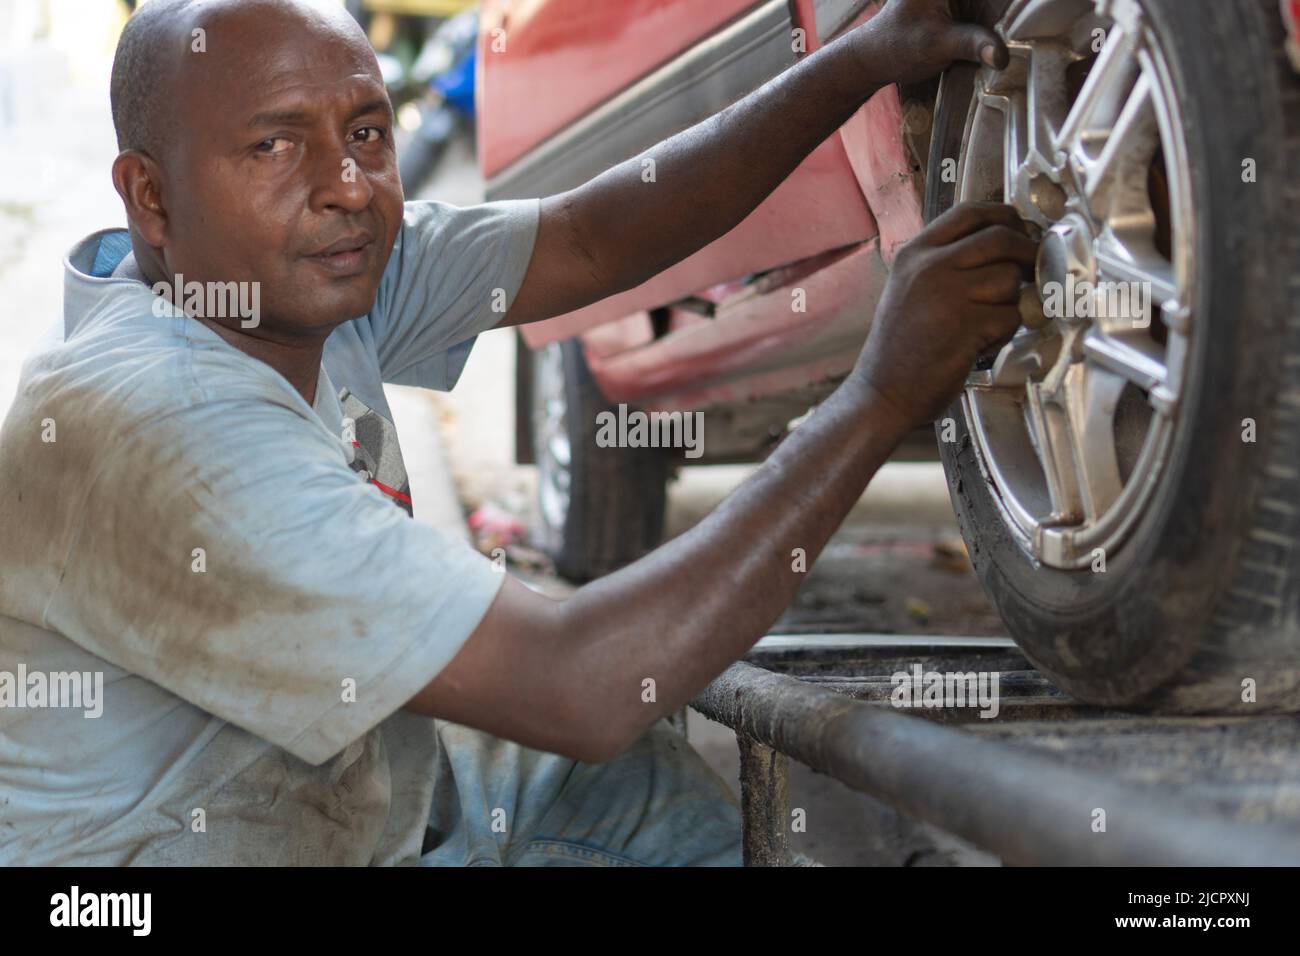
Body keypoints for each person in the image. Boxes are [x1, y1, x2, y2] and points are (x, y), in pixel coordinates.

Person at [0, 0, 1036, 865]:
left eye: (367, 132)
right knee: (606, 724)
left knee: (628, 784)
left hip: (357, 809)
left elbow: (595, 234)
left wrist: (851, 62)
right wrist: (881, 393)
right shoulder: (161, 426)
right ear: (150, 197)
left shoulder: (288, 274)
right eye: (273, 143)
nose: (347, 185)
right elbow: (579, 683)